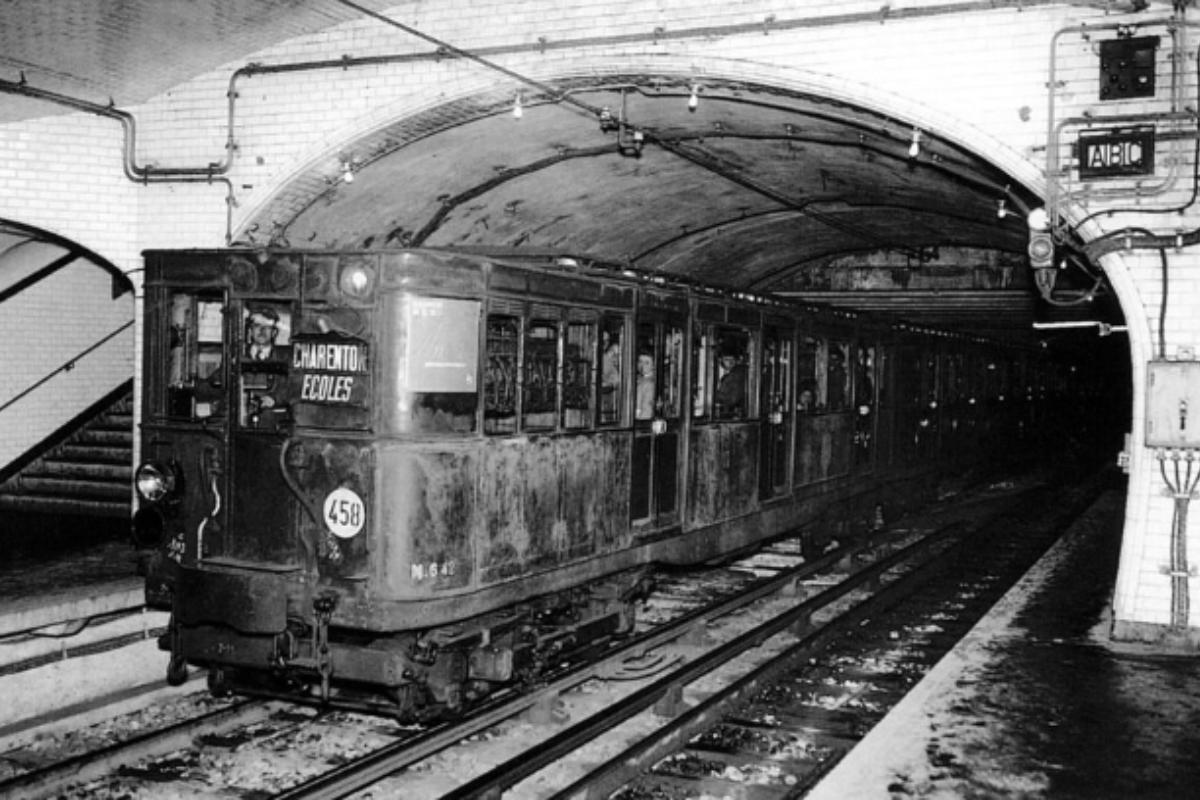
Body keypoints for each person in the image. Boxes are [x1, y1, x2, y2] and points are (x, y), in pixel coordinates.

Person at [714, 351, 747, 418]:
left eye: (732, 359)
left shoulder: (735, 375)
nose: (730, 362)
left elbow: (732, 399)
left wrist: (716, 396)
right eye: (726, 359)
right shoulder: (730, 375)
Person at [635, 350, 656, 420]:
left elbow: (647, 412)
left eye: (647, 363)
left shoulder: (651, 384)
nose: (642, 365)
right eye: (640, 361)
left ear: (653, 366)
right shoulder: (638, 379)